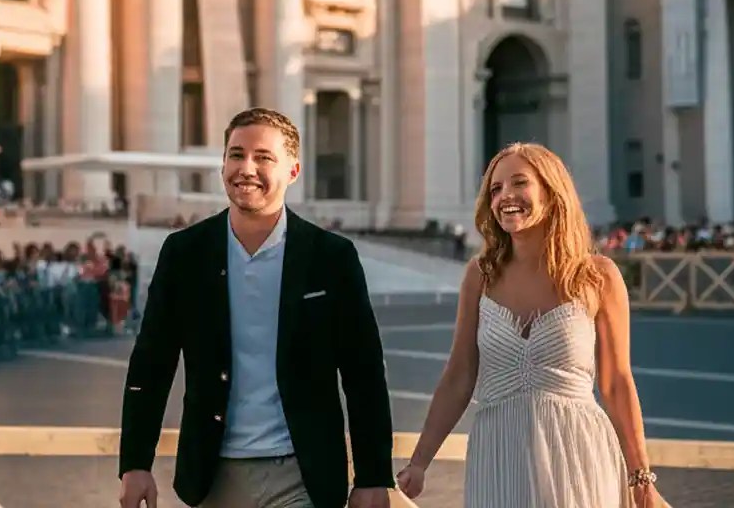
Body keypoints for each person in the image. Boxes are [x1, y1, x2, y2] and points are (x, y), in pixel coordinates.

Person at [118, 108, 394, 508]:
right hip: (212, 475)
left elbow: (363, 371)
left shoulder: (331, 257)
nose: (246, 168)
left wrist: (372, 475)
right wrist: (135, 463)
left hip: (303, 474)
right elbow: (152, 363)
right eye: (236, 155)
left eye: (263, 157)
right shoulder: (184, 253)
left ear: (293, 171)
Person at [395, 142, 666, 507]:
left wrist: (641, 478)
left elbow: (616, 382)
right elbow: (459, 376)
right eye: (496, 189)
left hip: (579, 453)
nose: (506, 195)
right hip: (499, 454)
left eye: (519, 183)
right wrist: (419, 462)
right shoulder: (480, 275)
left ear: (552, 193)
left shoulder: (598, 276)